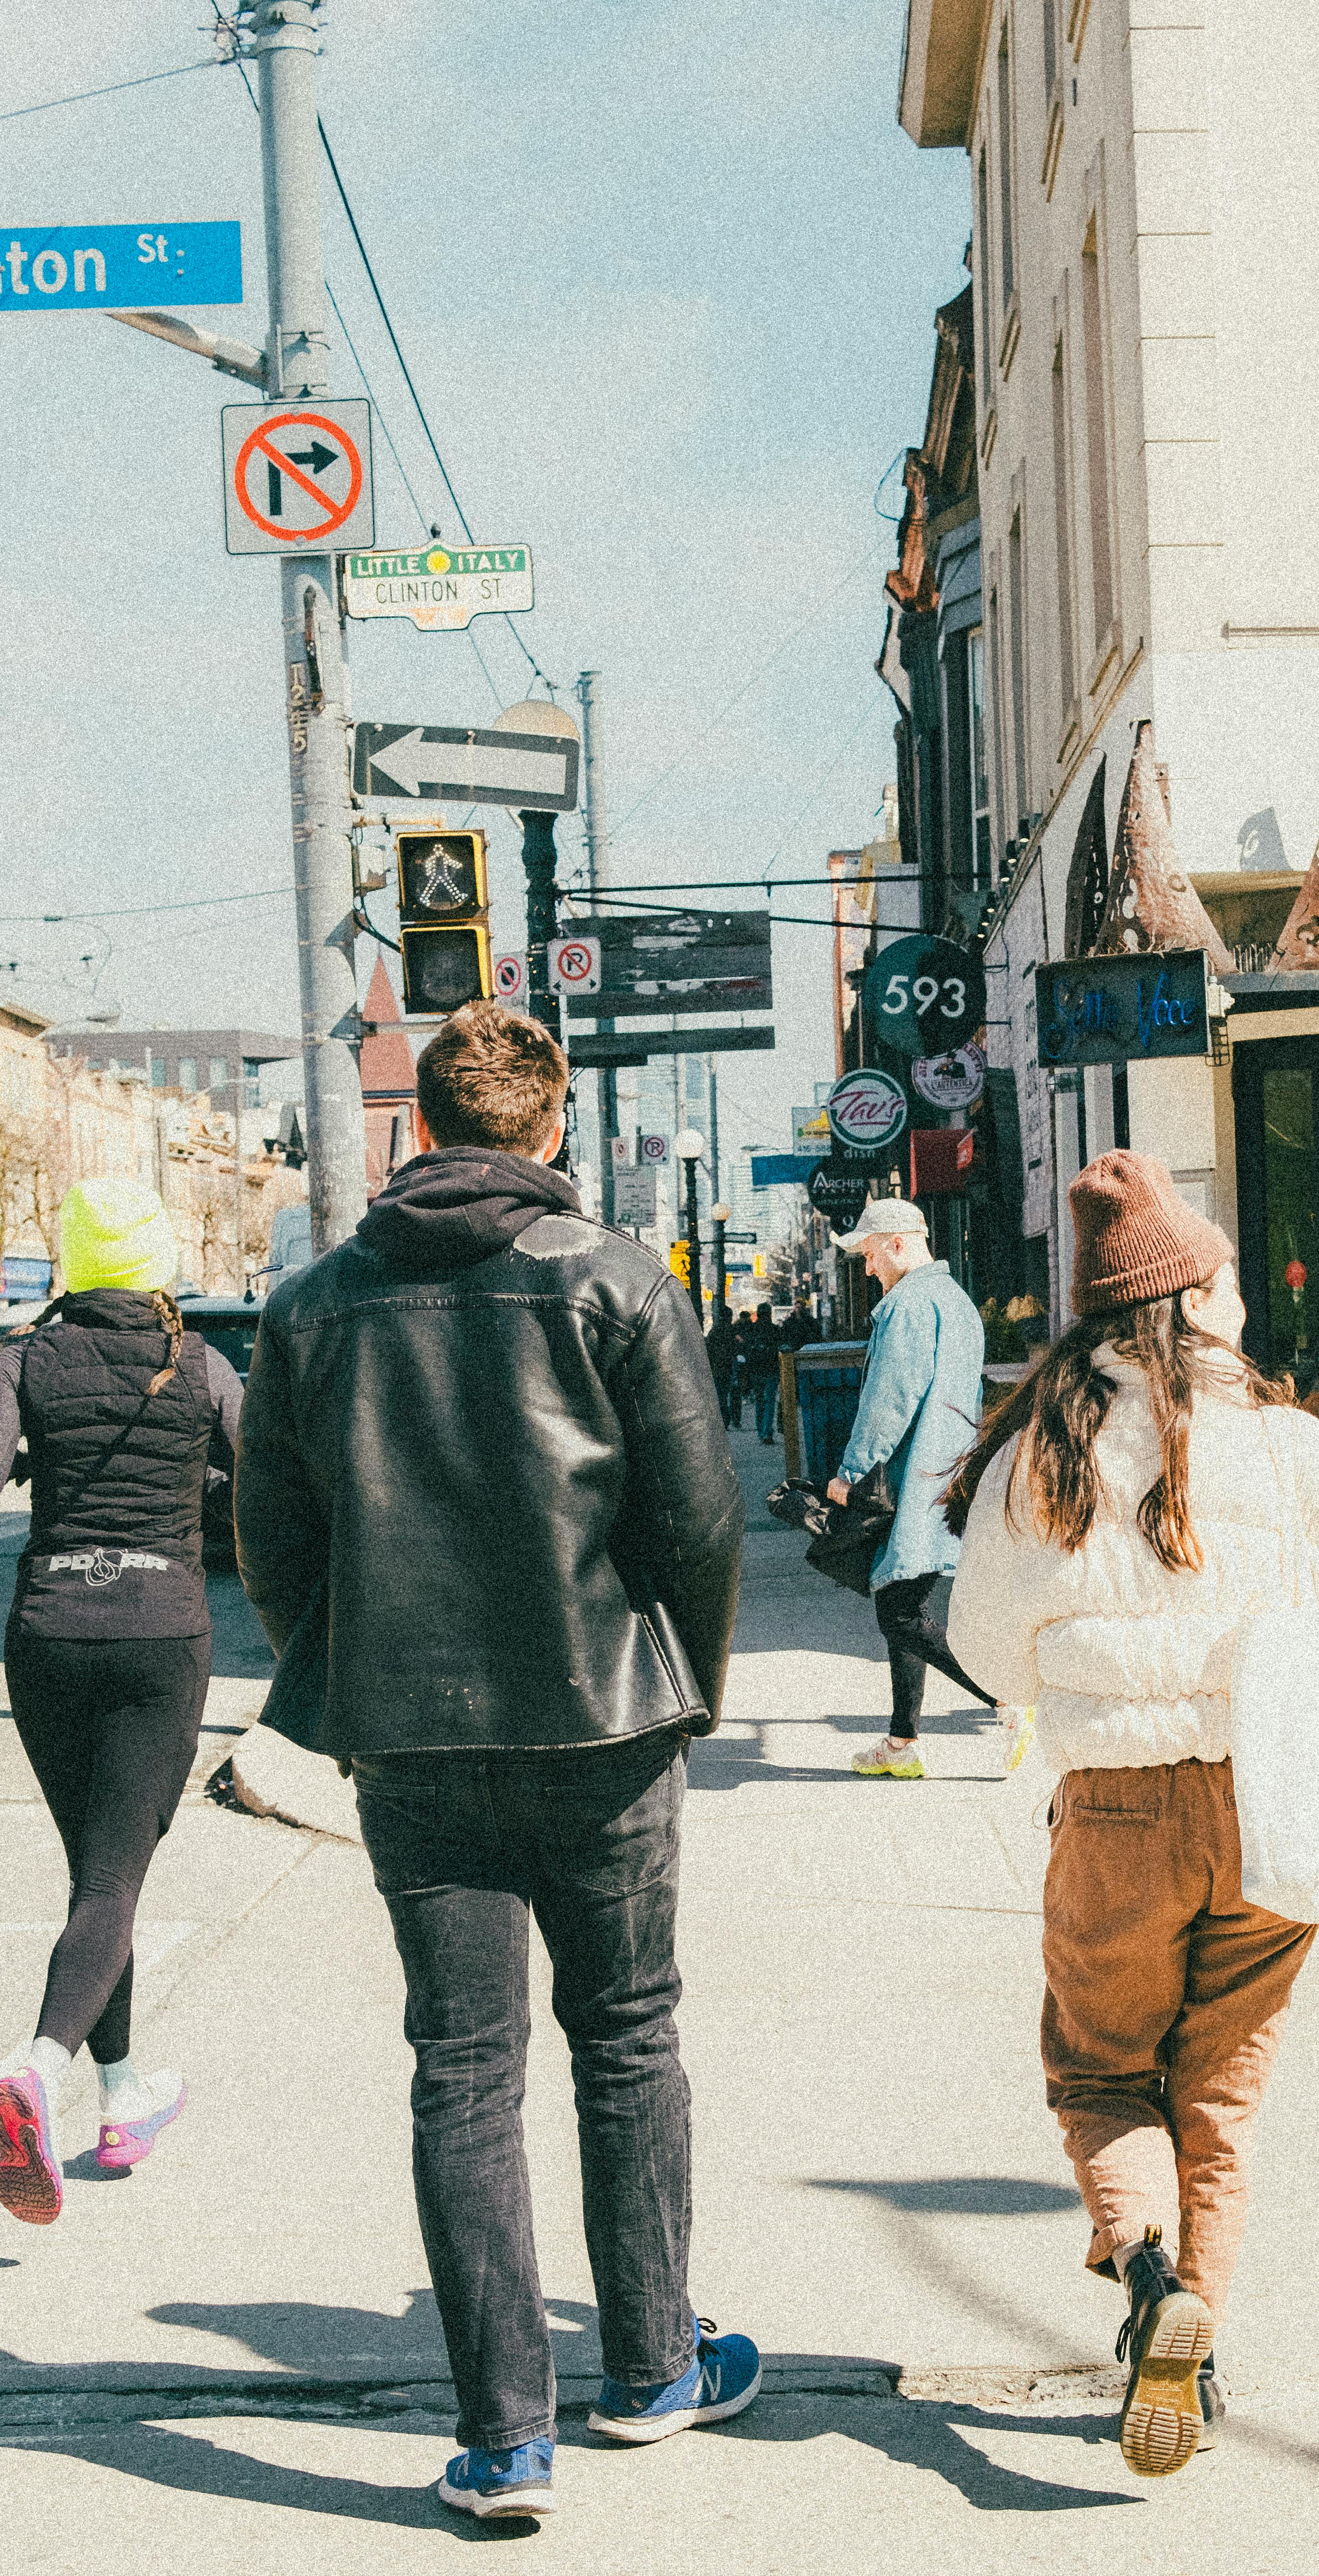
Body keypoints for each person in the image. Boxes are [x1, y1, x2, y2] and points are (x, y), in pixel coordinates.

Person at [234, 1002, 758, 2524]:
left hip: (411, 1736)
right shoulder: (609, 1278)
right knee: (627, 2034)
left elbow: (275, 1533)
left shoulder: (319, 1301)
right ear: (550, 1128)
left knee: (462, 2068)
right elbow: (701, 1514)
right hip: (606, 1723)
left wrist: (343, 1662)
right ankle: (652, 2368)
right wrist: (687, 1682)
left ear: (420, 1126)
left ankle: (501, 2438)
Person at [946, 1151, 1319, 2478]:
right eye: (1226, 1277)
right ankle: (1196, 2316)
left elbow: (986, 1644)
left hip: (1117, 1812)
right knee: (1223, 2088)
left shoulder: (1044, 1447)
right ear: (1192, 1300)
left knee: (1096, 2067)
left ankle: (1147, 2279)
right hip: (1268, 1803)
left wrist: (1074, 1675)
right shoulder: (1289, 1440)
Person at [0, 1181, 242, 2225]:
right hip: (158, 1637)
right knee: (112, 1878)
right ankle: (37, 2068)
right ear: (156, 1266)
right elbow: (277, 1477)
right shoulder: (199, 1363)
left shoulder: (22, 1360)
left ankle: (124, 2092)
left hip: (49, 1634)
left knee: (101, 1877)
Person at [824, 1197, 1009, 1778]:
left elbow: (888, 1402)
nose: (868, 1267)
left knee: (901, 1612)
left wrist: (851, 1474)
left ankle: (1007, 1699)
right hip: (943, 1474)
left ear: (900, 1243)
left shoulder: (905, 1305)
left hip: (906, 1479)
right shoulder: (956, 1303)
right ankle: (901, 1743)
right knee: (903, 1602)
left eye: (871, 1253)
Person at [745, 1302, 779, 1445]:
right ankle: (767, 1431)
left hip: (756, 1370)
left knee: (759, 1401)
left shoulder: (752, 1330)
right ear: (770, 1314)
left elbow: (746, 1350)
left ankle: (761, 1431)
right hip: (771, 1369)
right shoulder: (774, 1330)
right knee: (770, 1401)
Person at [706, 1305, 742, 1430]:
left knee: (721, 1397)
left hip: (718, 1369)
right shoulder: (733, 1331)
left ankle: (724, 1421)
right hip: (731, 1367)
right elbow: (738, 1348)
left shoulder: (714, 1331)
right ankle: (736, 1420)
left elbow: (708, 1350)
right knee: (735, 1394)